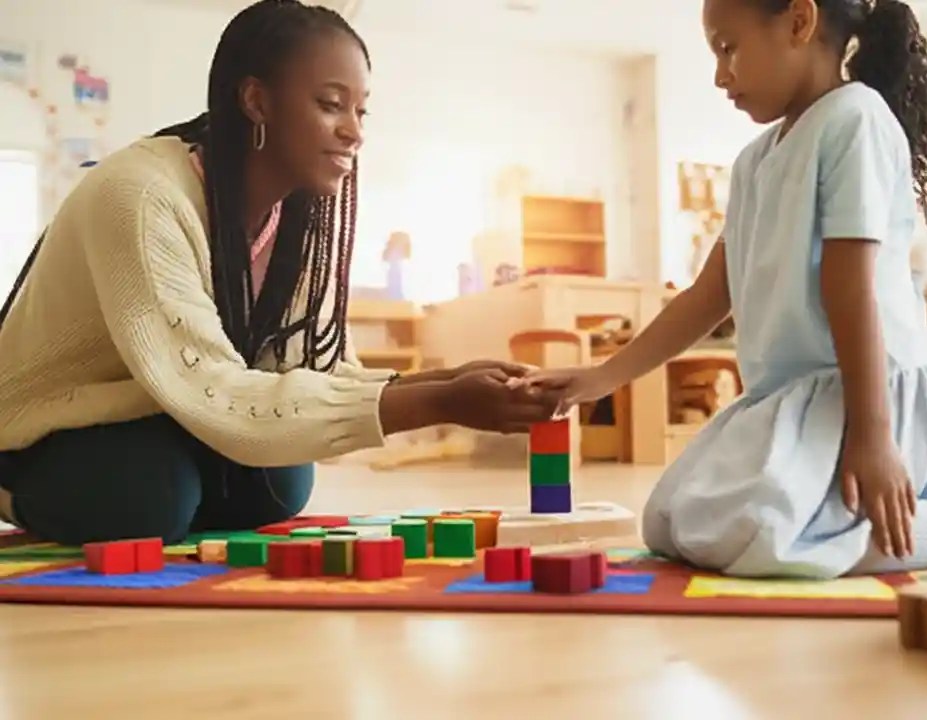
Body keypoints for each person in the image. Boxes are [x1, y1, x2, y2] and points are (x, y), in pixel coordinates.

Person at [528, 0, 927, 579]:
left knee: (768, 540)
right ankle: (915, 513)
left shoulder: (854, 117)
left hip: (876, 391)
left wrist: (872, 435)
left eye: (728, 48)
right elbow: (710, 293)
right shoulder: (755, 162)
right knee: (671, 520)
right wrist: (598, 379)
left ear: (799, 22)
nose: (719, 75)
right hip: (795, 399)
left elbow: (850, 286)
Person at [0, 0, 557, 545]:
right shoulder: (140, 196)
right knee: (150, 500)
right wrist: (443, 403)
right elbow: (208, 387)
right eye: (331, 104)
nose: (354, 132)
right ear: (256, 101)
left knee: (281, 480)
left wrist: (446, 381)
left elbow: (312, 372)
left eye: (361, 112)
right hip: (45, 430)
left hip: (162, 415)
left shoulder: (295, 216)